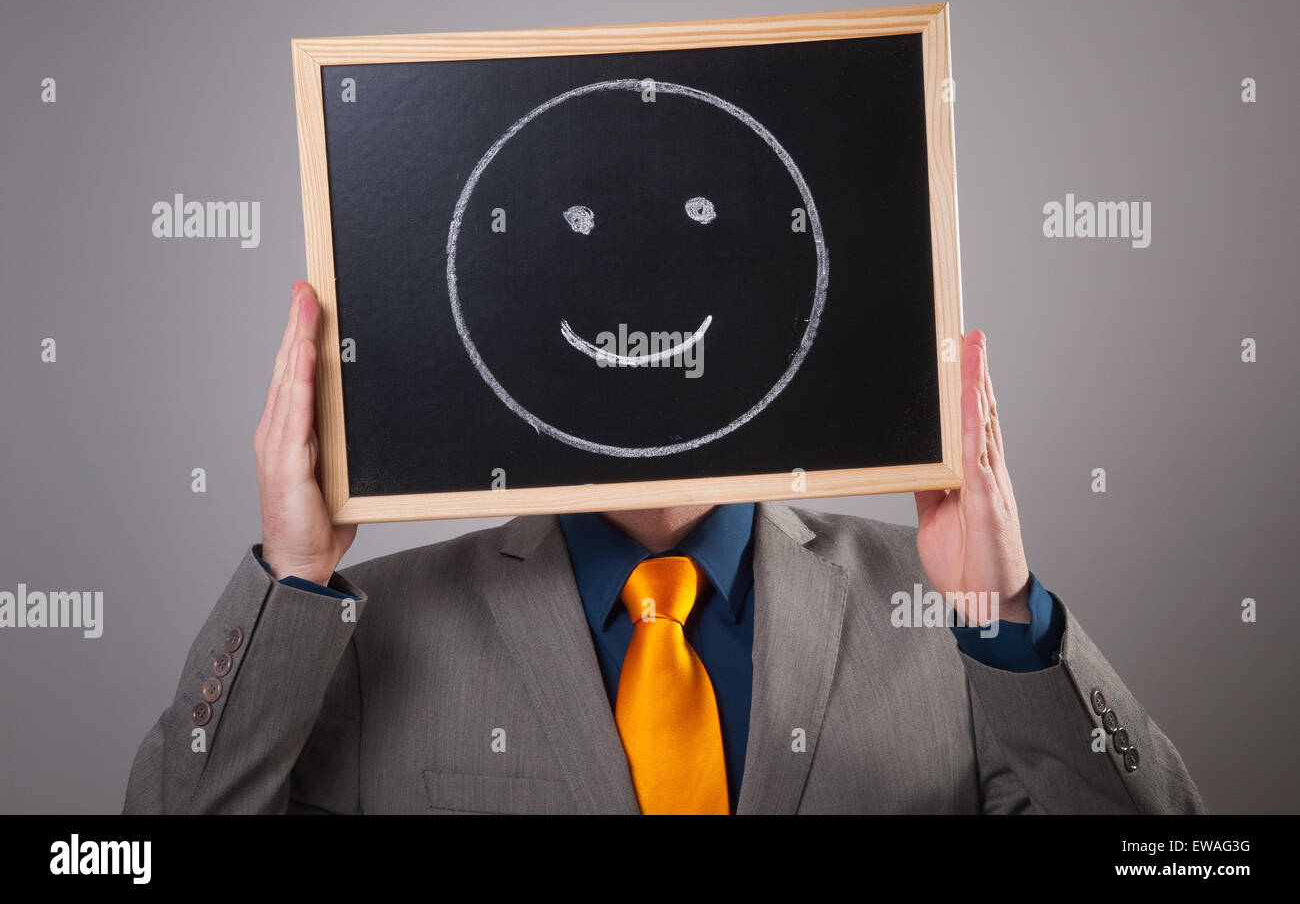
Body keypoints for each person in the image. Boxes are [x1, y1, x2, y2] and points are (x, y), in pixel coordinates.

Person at [123, 281, 1205, 814]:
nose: (646, 339)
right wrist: (292, 578)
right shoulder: (364, 633)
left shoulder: (947, 625)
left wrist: (1004, 612)